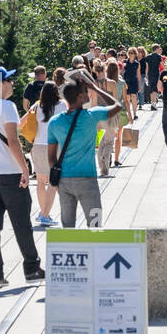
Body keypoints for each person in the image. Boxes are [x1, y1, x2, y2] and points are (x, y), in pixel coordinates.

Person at [0, 66, 45, 287]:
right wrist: (25, 168)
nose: (13, 84)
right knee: (21, 222)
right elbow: (13, 140)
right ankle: (31, 267)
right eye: (9, 80)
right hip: (10, 174)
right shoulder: (8, 107)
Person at [47, 76, 119, 228]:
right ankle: (94, 252)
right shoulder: (91, 116)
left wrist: (57, 179)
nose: (88, 95)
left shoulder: (54, 122)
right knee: (95, 225)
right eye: (86, 92)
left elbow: (51, 158)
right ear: (80, 97)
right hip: (87, 180)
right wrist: (95, 88)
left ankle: (71, 252)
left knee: (68, 228)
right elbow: (117, 105)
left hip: (64, 181)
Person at [29, 79, 67, 224]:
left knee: (40, 182)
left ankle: (43, 212)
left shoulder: (37, 106)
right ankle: (45, 214)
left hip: (38, 146)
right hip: (54, 147)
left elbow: (22, 122)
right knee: (53, 182)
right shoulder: (62, 105)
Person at [122, 46, 141, 121]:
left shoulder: (137, 63)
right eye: (129, 53)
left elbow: (138, 75)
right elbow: (121, 72)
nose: (130, 54)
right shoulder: (124, 62)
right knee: (127, 98)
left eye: (132, 53)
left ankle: (135, 114)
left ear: (135, 54)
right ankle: (128, 113)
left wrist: (139, 85)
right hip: (126, 81)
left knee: (134, 97)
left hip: (134, 81)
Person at [145, 44, 163, 110]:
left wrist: (146, 75)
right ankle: (154, 104)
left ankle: (152, 104)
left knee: (151, 88)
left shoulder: (148, 57)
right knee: (155, 89)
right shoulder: (159, 56)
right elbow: (162, 65)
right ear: (157, 49)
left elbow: (147, 67)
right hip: (156, 74)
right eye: (159, 49)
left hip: (150, 74)